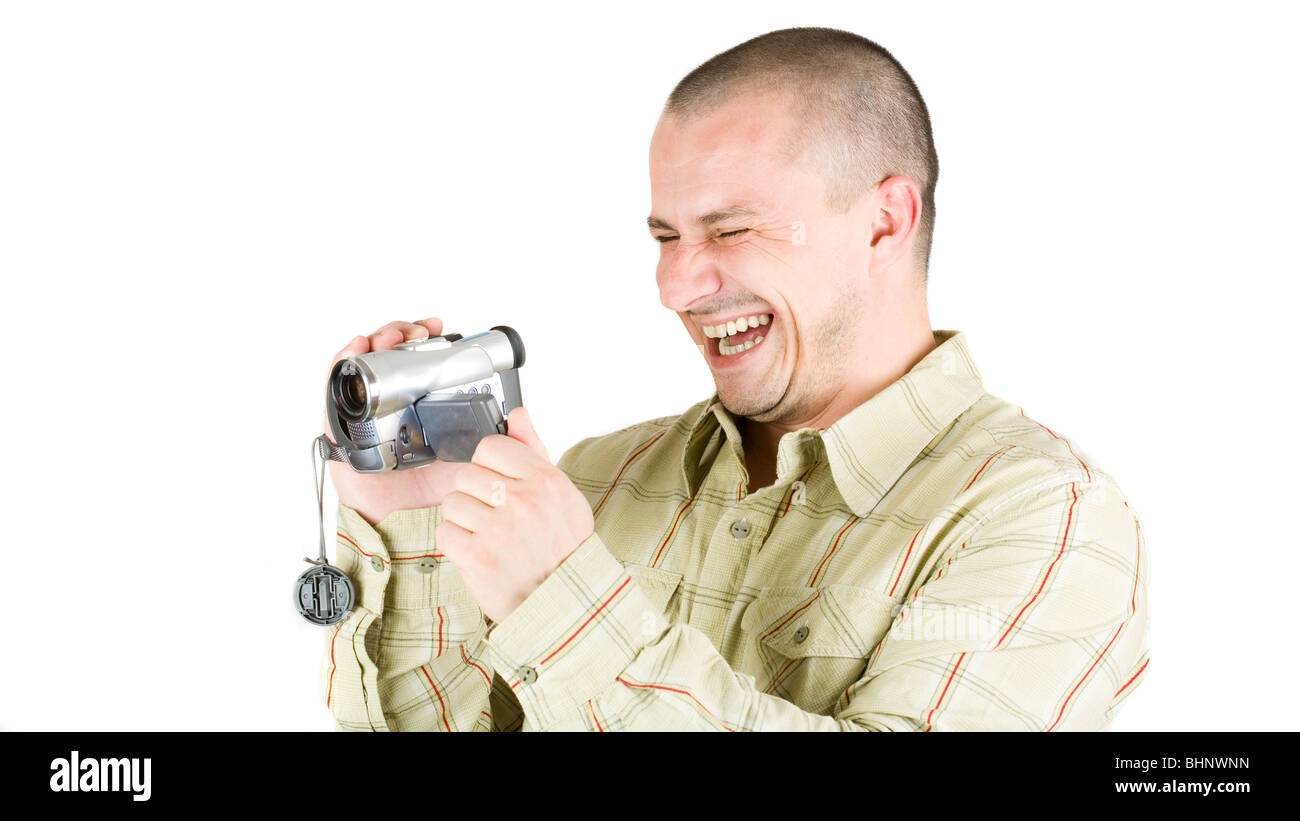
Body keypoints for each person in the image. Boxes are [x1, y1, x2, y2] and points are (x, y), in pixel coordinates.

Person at [319, 27, 1150, 731]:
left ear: (884, 221)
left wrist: (564, 600)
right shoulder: (596, 480)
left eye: (732, 229)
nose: (676, 287)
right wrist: (411, 532)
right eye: (666, 237)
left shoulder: (1045, 516)